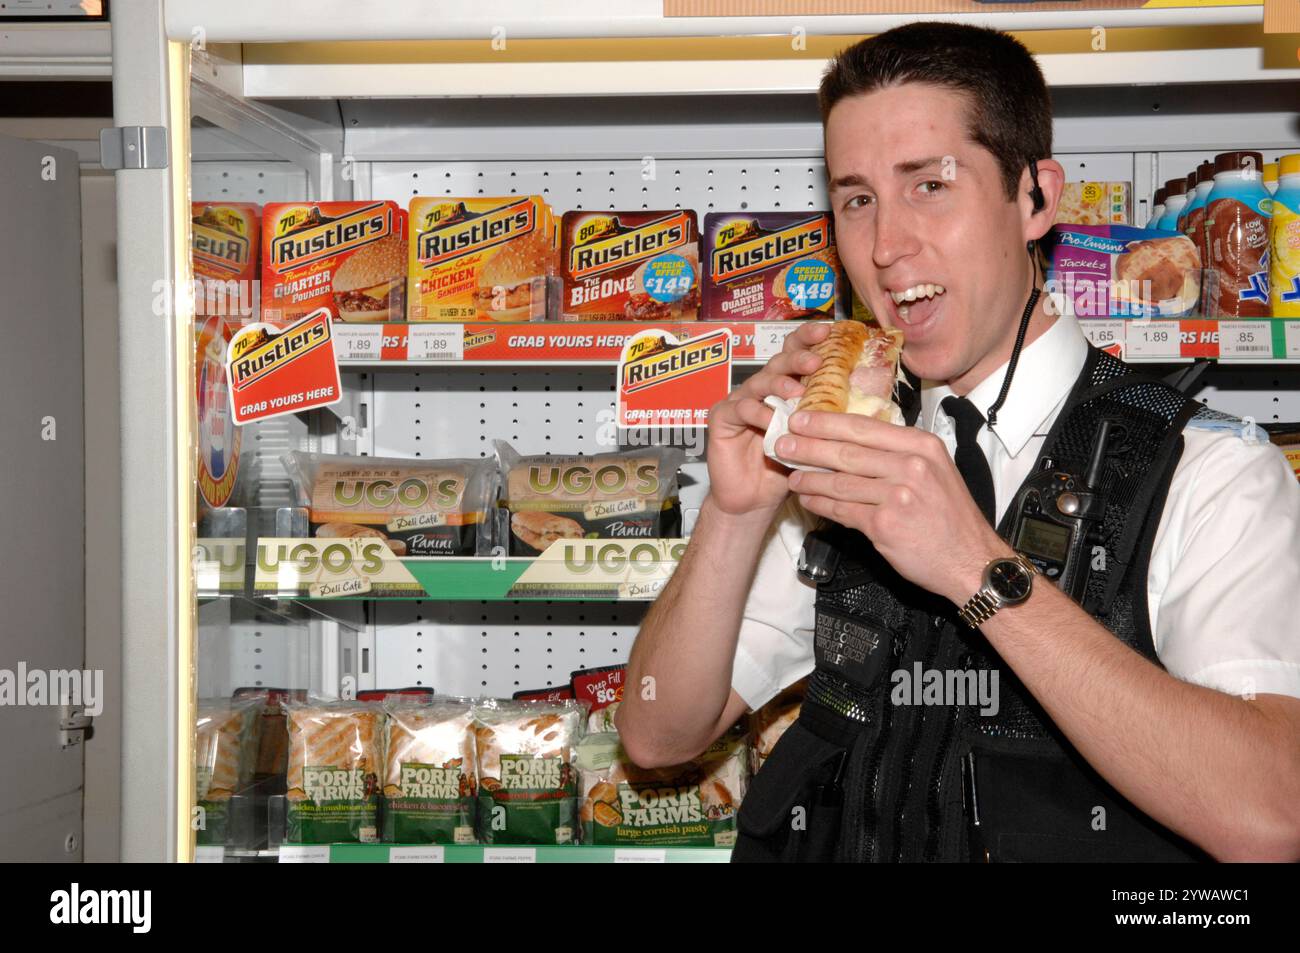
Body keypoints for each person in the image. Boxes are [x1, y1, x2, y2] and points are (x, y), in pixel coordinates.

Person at [616, 22, 1300, 862]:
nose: (885, 247)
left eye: (930, 185)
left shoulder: (1211, 469)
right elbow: (656, 729)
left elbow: (1272, 815)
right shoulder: (840, 453)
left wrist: (977, 568)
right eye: (856, 197)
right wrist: (733, 511)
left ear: (1036, 198)